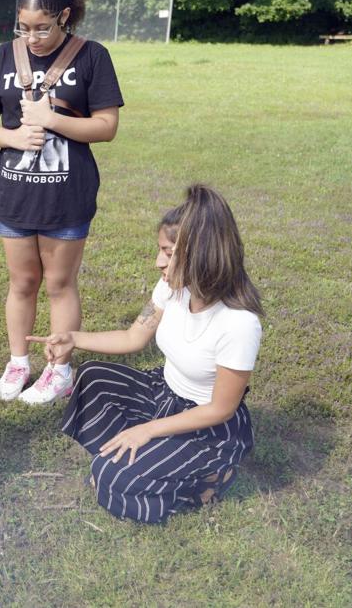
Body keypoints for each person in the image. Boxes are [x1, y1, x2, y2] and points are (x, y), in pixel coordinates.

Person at [29, 184, 263, 524]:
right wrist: (73, 338)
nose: (158, 263)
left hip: (206, 427)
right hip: (163, 392)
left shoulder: (239, 324)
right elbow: (133, 336)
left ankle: (209, 478)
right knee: (93, 376)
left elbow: (220, 409)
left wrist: (149, 430)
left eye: (168, 253)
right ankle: (136, 457)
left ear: (200, 252)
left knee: (110, 476)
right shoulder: (172, 288)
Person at [0, 0, 123, 404]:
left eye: (43, 28)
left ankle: (59, 368)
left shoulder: (92, 56)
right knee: (21, 282)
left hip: (67, 194)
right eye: (24, 27)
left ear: (65, 18)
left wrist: (52, 119)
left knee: (59, 283)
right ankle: (19, 360)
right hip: (15, 192)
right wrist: (11, 138)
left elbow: (106, 127)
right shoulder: (2, 56)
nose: (32, 37)